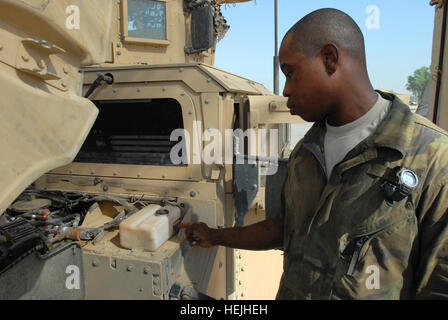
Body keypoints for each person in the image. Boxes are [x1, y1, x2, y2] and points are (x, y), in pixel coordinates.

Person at [179, 8, 448, 299]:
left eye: (291, 73)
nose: (285, 91)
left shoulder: (432, 158)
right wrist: (213, 235)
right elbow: (282, 229)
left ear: (330, 59)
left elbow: (439, 283)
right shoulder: (305, 153)